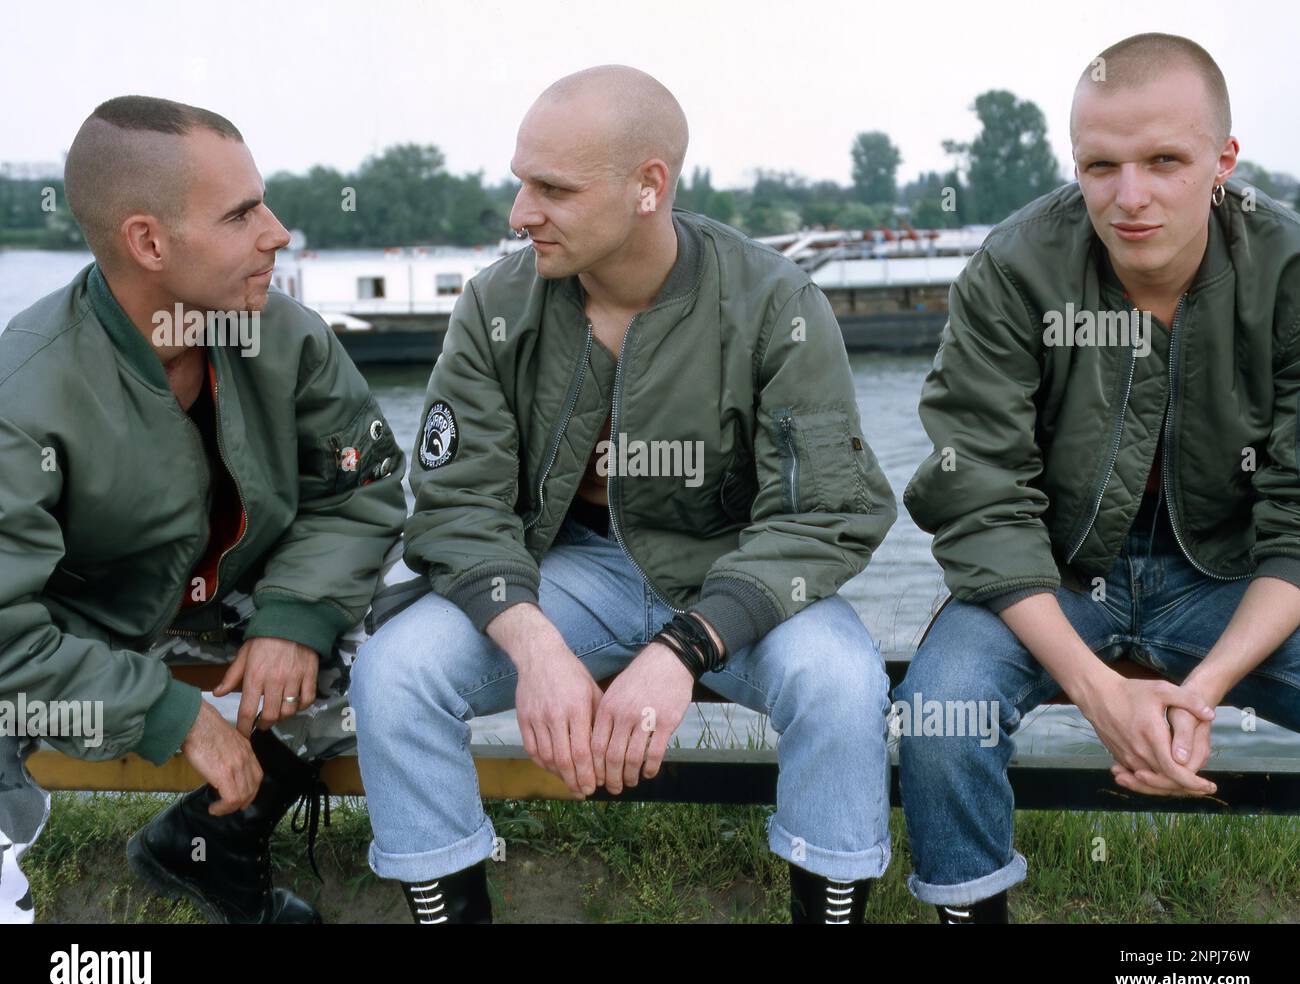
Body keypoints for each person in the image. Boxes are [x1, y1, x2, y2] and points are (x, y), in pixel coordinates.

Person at [350, 65, 898, 924]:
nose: (520, 213)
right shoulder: (497, 302)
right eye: (521, 183)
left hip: (738, 583)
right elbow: (458, 502)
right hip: (566, 575)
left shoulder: (775, 302)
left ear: (650, 187)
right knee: (395, 668)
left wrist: (686, 647)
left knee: (840, 680)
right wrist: (533, 646)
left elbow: (826, 514)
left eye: (554, 189)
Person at [899, 33, 1300, 923]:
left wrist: (1203, 691)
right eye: (1100, 165)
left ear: (1223, 161)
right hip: (1052, 574)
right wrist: (1098, 690)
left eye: (1165, 161)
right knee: (939, 716)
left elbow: (1297, 525)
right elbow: (980, 497)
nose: (1130, 197)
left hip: (1231, 578)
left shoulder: (1288, 271)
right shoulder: (1013, 267)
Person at [0, 96, 409, 924]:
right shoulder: (26, 391)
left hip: (241, 606)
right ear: (149, 242)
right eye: (241, 214)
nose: (278, 230)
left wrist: (297, 614)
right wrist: (169, 712)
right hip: (85, 631)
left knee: (418, 619)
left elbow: (361, 489)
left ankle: (218, 840)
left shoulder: (285, 335)